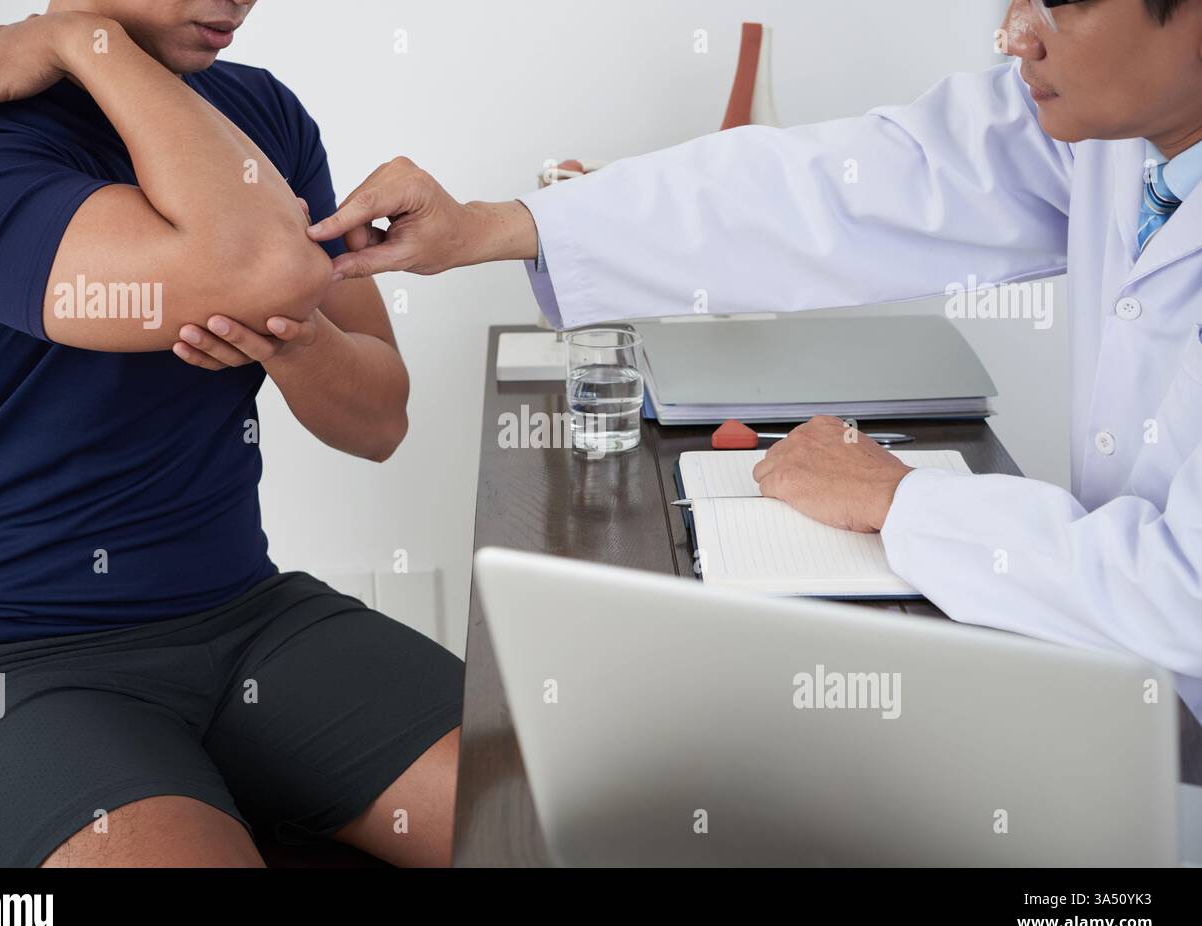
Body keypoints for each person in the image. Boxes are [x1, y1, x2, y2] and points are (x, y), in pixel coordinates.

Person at [306, 0, 1202, 717]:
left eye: (1066, 3)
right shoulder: (1111, 140)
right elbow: (833, 188)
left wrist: (903, 502)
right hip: (1130, 699)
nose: (1013, 33)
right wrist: (502, 225)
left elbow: (1185, 599)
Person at [0, 0, 462, 867]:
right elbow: (261, 267)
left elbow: (379, 417)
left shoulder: (261, 115)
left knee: (563, 822)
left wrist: (299, 342)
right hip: (16, 659)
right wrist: (79, 38)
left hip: (250, 615)